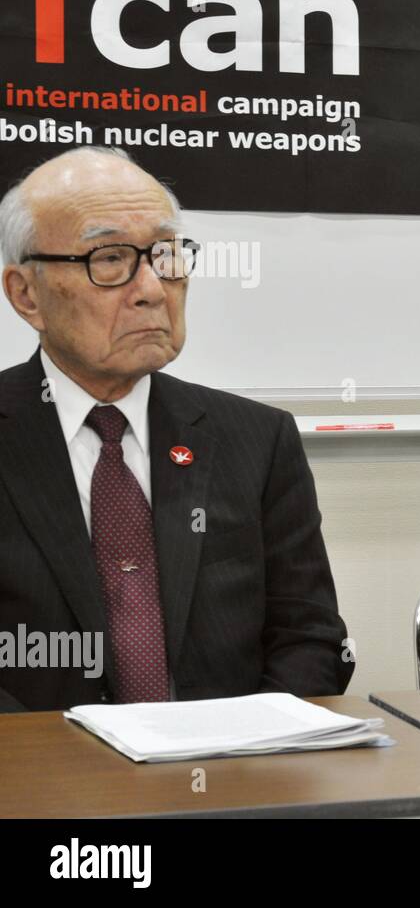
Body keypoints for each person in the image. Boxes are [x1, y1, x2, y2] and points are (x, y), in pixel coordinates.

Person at [0, 147, 352, 712]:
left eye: (164, 255)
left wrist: (241, 751)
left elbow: (310, 639)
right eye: (110, 258)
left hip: (228, 778)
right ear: (26, 294)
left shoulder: (258, 440)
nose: (152, 289)